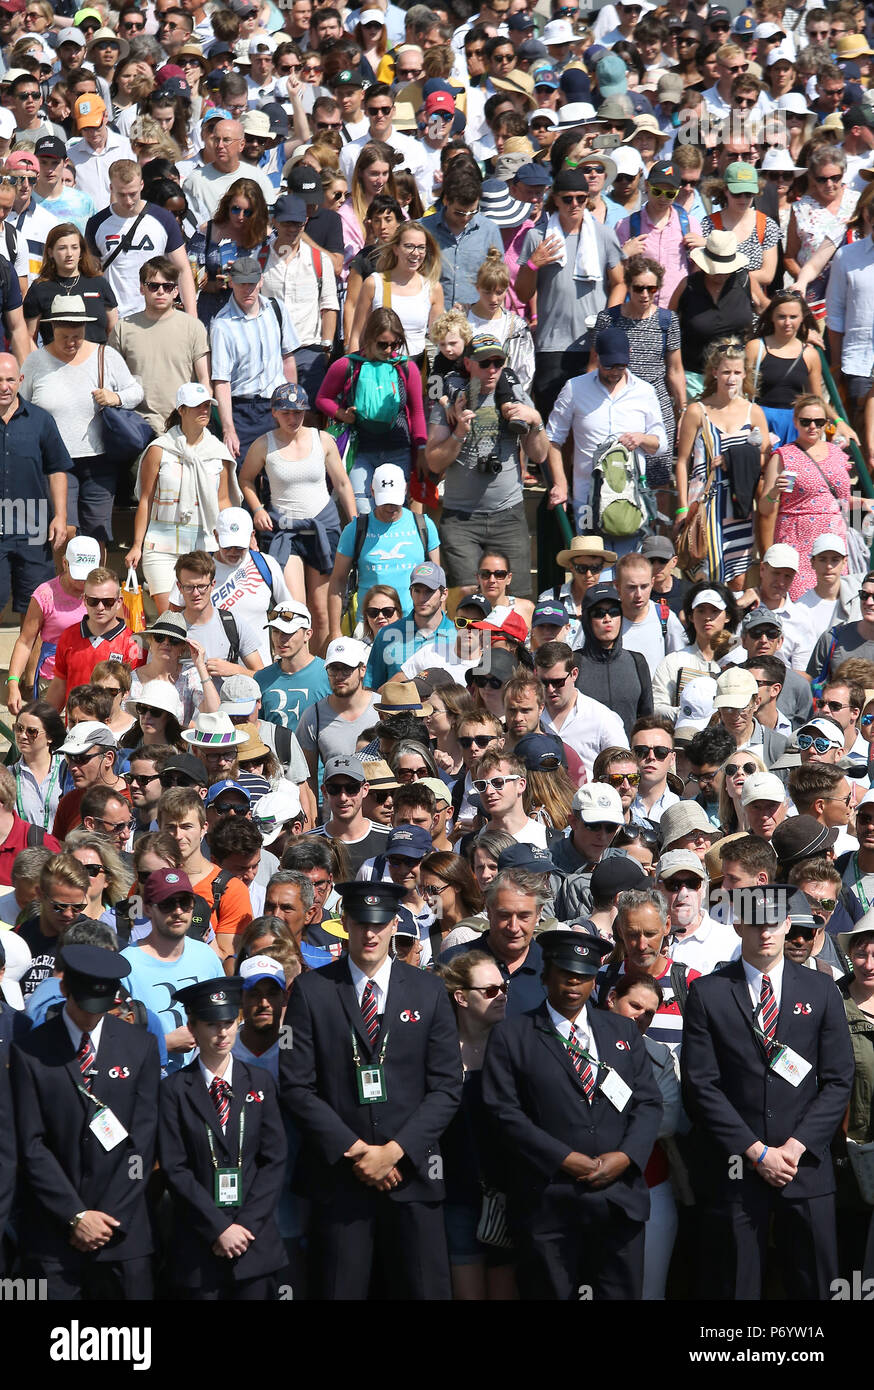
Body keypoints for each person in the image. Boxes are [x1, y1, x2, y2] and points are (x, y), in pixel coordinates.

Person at [280, 877, 462, 1300]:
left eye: (379, 923)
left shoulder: (428, 989)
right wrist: (361, 1153)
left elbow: (446, 1087)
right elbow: (297, 1087)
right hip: (342, 1180)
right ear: (345, 923)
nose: (370, 933)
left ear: (393, 925)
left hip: (413, 1175)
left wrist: (394, 1152)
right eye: (361, 922)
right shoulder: (312, 989)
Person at [681, 884, 854, 1299]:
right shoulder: (709, 992)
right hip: (737, 1168)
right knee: (736, 1285)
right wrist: (756, 1152)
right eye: (755, 923)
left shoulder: (822, 989)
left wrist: (794, 1149)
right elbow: (701, 1085)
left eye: (774, 923)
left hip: (805, 1166)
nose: (766, 933)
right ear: (738, 924)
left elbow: (837, 1080)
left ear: (788, 923)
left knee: (817, 1283)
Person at [481, 925, 662, 1300]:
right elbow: (504, 1114)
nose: (573, 984)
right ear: (546, 975)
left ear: (595, 981)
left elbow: (648, 1103)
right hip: (548, 1201)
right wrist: (566, 1159)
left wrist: (626, 1157)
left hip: (617, 1200)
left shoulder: (622, 1031)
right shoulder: (513, 1034)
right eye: (565, 974)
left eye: (583, 976)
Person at [10, 942, 160, 1300]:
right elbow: (31, 1144)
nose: (91, 1015)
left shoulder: (139, 1047)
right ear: (64, 990)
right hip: (54, 1235)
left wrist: (107, 1215)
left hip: (122, 1232)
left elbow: (143, 1139)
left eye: (101, 1006)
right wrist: (75, 1215)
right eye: (83, 1004)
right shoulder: (32, 1052)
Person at [157, 975, 288, 1300]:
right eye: (211, 1024)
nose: (222, 1032)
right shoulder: (174, 1090)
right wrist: (219, 1227)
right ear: (193, 1026)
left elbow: (274, 1160)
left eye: (229, 1022)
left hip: (254, 1240)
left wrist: (244, 1226)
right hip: (200, 1246)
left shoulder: (259, 1081)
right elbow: (176, 1168)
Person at [424, 331, 554, 593]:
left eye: (498, 363)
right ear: (469, 364)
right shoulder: (452, 402)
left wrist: (536, 420)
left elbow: (539, 455)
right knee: (467, 600)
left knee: (517, 601)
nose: (492, 370)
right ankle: (475, 638)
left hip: (508, 515)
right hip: (462, 519)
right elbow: (434, 462)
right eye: (485, 364)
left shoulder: (515, 398)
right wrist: (459, 432)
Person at [20, 292, 143, 550]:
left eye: (77, 336)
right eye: (65, 337)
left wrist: (115, 397)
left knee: (97, 532)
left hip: (99, 460)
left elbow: (136, 392)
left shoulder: (105, 355)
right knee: (65, 530)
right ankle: (67, 587)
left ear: (85, 327)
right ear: (52, 327)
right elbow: (22, 407)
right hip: (54, 463)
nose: (71, 343)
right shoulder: (35, 361)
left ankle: (97, 589)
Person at [239, 382, 355, 648]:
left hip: (322, 528)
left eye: (298, 412)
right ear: (274, 413)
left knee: (323, 611)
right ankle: (297, 670)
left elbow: (342, 483)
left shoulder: (323, 439)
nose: (293, 418)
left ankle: (324, 674)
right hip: (286, 530)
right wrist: (257, 508)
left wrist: (355, 522)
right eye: (286, 412)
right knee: (295, 609)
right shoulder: (263, 445)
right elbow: (245, 479)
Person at [514, 166, 624, 423]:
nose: (574, 204)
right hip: (552, 344)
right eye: (567, 198)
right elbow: (522, 293)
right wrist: (533, 264)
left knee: (589, 423)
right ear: (555, 199)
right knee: (552, 423)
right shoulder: (537, 237)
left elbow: (620, 282)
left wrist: (606, 323)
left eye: (581, 198)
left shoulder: (604, 235)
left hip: (593, 345)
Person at [435, 949, 513, 1299]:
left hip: (506, 1194)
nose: (502, 996)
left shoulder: (514, 1046)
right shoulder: (437, 1051)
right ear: (461, 997)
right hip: (456, 1195)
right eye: (491, 990)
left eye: (504, 987)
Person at [126, 383, 240, 614]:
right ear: (181, 410)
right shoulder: (159, 449)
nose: (204, 411)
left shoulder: (218, 453)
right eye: (197, 406)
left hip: (204, 545)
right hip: (160, 544)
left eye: (207, 406)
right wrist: (137, 545)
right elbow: (145, 500)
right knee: (171, 618)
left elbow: (224, 502)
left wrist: (236, 535)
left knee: (199, 616)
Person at [546, 325, 666, 534]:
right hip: (587, 498)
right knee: (591, 564)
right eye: (609, 366)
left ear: (629, 356)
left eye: (621, 366)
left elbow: (661, 444)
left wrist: (641, 439)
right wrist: (560, 483)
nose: (615, 372)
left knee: (630, 565)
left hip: (631, 499)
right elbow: (552, 439)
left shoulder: (645, 391)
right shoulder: (574, 388)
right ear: (597, 356)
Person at [674, 337, 769, 590]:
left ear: (745, 374)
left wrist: (733, 459)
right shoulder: (697, 411)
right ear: (714, 372)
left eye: (737, 372)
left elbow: (765, 457)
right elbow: (682, 462)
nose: (731, 378)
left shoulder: (753, 412)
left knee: (738, 578)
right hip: (706, 503)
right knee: (708, 577)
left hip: (739, 504)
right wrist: (682, 508)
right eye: (726, 371)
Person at [592, 254, 685, 497]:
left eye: (651, 288)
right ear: (629, 287)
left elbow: (675, 370)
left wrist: (682, 409)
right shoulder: (608, 319)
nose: (645, 294)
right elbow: (594, 365)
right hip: (618, 400)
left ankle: (657, 534)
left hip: (657, 404)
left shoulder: (667, 321)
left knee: (660, 476)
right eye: (639, 288)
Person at [317, 306, 426, 513]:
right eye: (382, 344)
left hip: (398, 449)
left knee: (393, 511)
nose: (388, 350)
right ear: (368, 339)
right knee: (363, 512)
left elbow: (418, 411)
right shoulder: (347, 365)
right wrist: (341, 414)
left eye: (395, 344)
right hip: (361, 451)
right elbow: (323, 398)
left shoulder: (406, 367)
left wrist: (421, 449)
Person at [121, 868, 230, 1069]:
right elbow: (114, 1041)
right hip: (150, 1080)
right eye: (167, 904)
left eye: (186, 903)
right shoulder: (127, 965)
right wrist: (167, 1044)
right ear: (147, 908)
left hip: (201, 1082)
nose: (178, 911)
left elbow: (225, 1017)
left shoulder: (206, 956)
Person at [759, 395, 852, 601]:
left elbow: (847, 500)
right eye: (805, 421)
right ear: (795, 422)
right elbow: (764, 509)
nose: (812, 427)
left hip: (834, 542)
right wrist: (774, 492)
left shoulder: (838, 454)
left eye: (819, 422)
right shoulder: (783, 455)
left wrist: (865, 509)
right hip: (798, 540)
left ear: (826, 423)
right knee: (802, 602)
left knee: (834, 602)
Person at [108, 256, 211, 437]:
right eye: (153, 286)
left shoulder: (194, 327)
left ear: (176, 291)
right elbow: (111, 381)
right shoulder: (123, 328)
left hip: (182, 427)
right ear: (142, 288)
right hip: (137, 429)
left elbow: (205, 381)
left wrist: (198, 421)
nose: (160, 291)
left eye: (167, 286)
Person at [210, 256, 299, 464]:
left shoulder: (277, 309)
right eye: (242, 283)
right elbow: (222, 381)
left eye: (252, 283)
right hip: (243, 410)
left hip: (277, 406)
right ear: (231, 282)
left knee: (280, 474)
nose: (247, 289)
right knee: (242, 476)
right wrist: (228, 428)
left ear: (261, 281)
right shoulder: (221, 325)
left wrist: (292, 405)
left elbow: (287, 359)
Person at [85, 158, 196, 319]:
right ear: (111, 188)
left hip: (158, 315)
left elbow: (183, 269)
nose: (128, 201)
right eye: (121, 194)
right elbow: (93, 274)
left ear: (142, 185)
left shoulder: (164, 219)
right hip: (116, 318)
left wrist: (192, 317)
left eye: (133, 194)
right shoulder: (97, 223)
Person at [745, 289, 835, 448]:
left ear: (802, 319)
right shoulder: (755, 348)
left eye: (793, 317)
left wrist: (839, 421)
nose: (787, 323)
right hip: (760, 422)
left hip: (795, 425)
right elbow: (742, 391)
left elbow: (817, 400)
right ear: (772, 317)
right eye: (781, 316)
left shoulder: (810, 355)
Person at [46, 567, 144, 713]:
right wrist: (45, 723)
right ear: (84, 600)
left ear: (119, 601)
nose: (100, 607)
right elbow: (60, 684)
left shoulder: (135, 642)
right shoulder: (68, 635)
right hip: (76, 728)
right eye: (93, 601)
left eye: (108, 602)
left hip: (114, 729)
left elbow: (135, 695)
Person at [672, 231, 753, 397]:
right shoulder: (688, 286)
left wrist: (802, 330)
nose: (721, 274)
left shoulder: (744, 281)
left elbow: (769, 309)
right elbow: (668, 322)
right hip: (694, 377)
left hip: (734, 375)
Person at [348, 219, 444, 359]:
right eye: (409, 246)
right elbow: (357, 335)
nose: (415, 253)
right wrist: (353, 370)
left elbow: (437, 339)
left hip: (416, 368)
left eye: (421, 247)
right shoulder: (374, 283)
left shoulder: (433, 288)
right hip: (380, 365)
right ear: (396, 248)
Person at [534, 640, 629, 776]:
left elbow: (623, 768)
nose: (550, 689)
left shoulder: (602, 718)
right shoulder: (530, 715)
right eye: (544, 682)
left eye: (558, 682)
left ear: (574, 674)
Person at [190, 176, 271, 328]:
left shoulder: (266, 236)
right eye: (235, 209)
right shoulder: (208, 230)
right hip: (212, 309)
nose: (240, 217)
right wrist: (211, 283)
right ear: (227, 205)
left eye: (247, 212)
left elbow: (273, 274)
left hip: (250, 312)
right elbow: (191, 268)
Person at [574, 583, 654, 736]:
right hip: (588, 757)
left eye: (614, 612)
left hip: (629, 756)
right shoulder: (574, 662)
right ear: (586, 619)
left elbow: (647, 719)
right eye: (599, 613)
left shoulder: (637, 661)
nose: (607, 618)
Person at [652, 580, 738, 718]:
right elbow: (657, 707)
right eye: (701, 610)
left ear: (727, 616)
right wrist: (688, 714)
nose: (707, 617)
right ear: (691, 616)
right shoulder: (673, 662)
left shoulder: (740, 661)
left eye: (715, 611)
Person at [23, 221, 117, 346]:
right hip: (54, 362)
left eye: (74, 247)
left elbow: (113, 331)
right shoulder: (40, 288)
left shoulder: (99, 283)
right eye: (62, 248)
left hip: (95, 360)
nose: (69, 254)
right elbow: (29, 338)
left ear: (81, 251)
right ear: (50, 252)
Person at [256, 602, 331, 736]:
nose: (280, 639)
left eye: (288, 632)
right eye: (275, 631)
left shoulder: (328, 674)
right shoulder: (261, 678)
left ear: (308, 634)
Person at [182, 117, 275, 222]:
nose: (220, 145)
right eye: (216, 139)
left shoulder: (258, 177)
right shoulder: (195, 180)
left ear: (242, 145)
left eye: (226, 140)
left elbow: (268, 219)